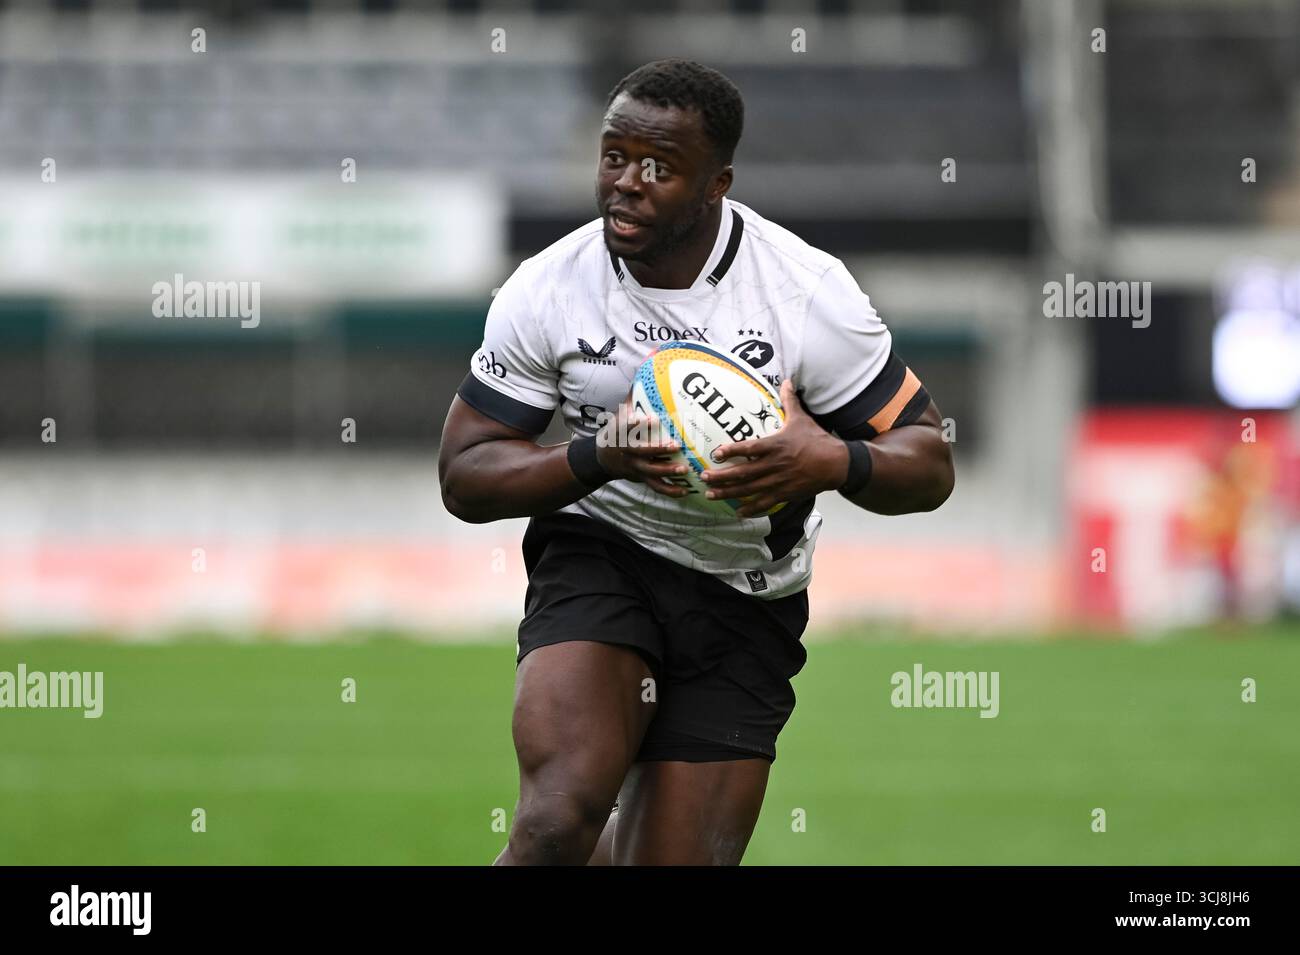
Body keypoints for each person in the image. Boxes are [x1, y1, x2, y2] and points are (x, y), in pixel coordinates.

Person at [439, 59, 954, 865]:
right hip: (601, 555)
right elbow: (464, 475)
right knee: (554, 822)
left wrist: (830, 460)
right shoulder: (547, 289)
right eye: (614, 157)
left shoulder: (804, 293)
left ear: (718, 184)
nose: (626, 184)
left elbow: (928, 461)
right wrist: (596, 454)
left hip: (742, 595)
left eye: (659, 167)